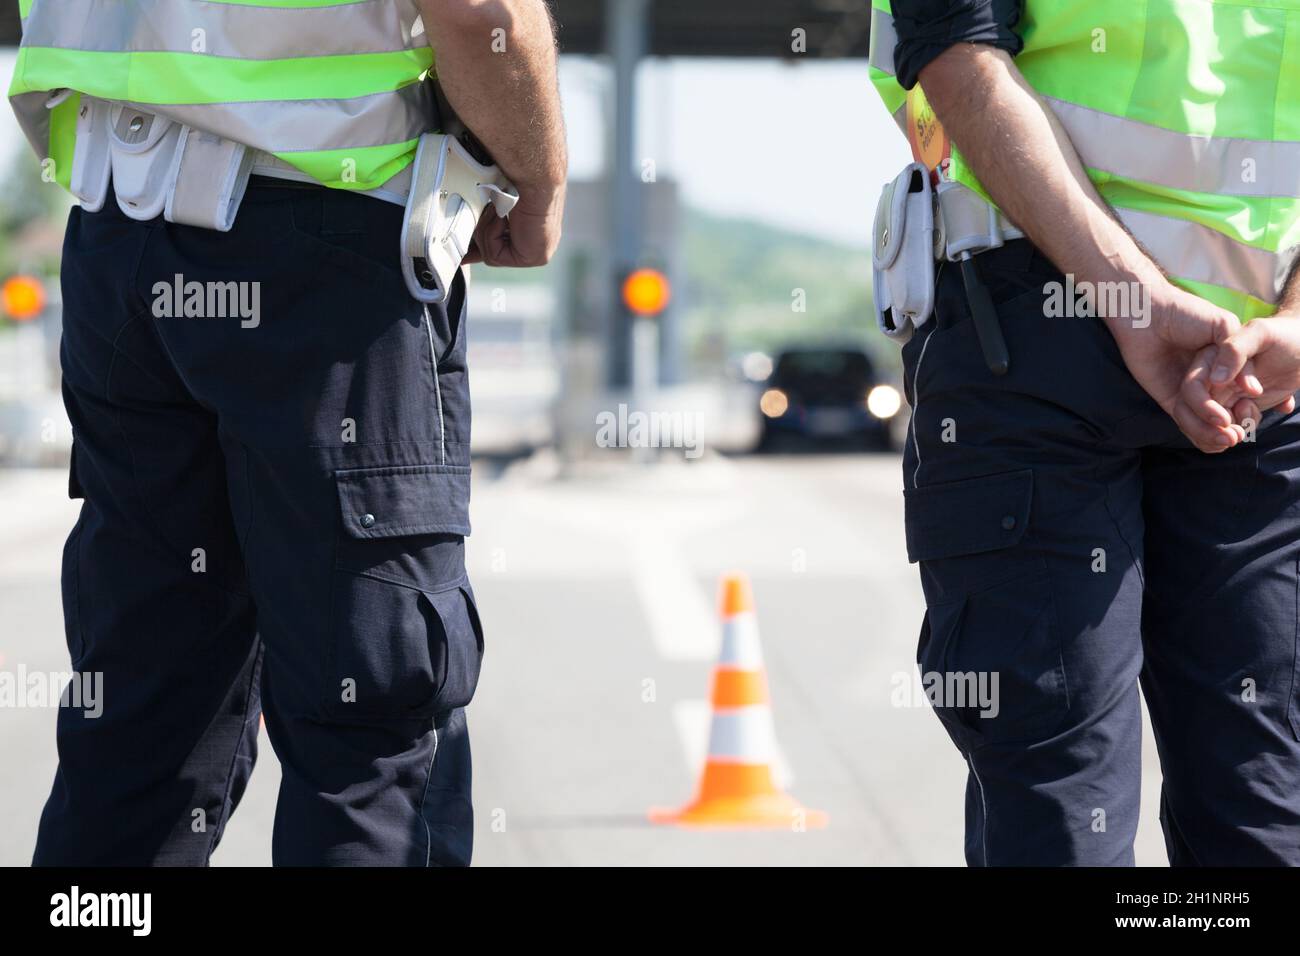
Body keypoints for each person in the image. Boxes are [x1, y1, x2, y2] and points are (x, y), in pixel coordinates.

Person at [10, 0, 566, 866]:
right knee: (368, 735)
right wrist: (539, 178)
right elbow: (478, 11)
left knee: (136, 724)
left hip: (120, 247)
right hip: (322, 245)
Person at [868, 0, 1300, 864]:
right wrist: (1130, 296)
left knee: (1264, 810)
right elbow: (952, 44)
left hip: (1253, 371)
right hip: (1039, 333)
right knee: (1060, 817)